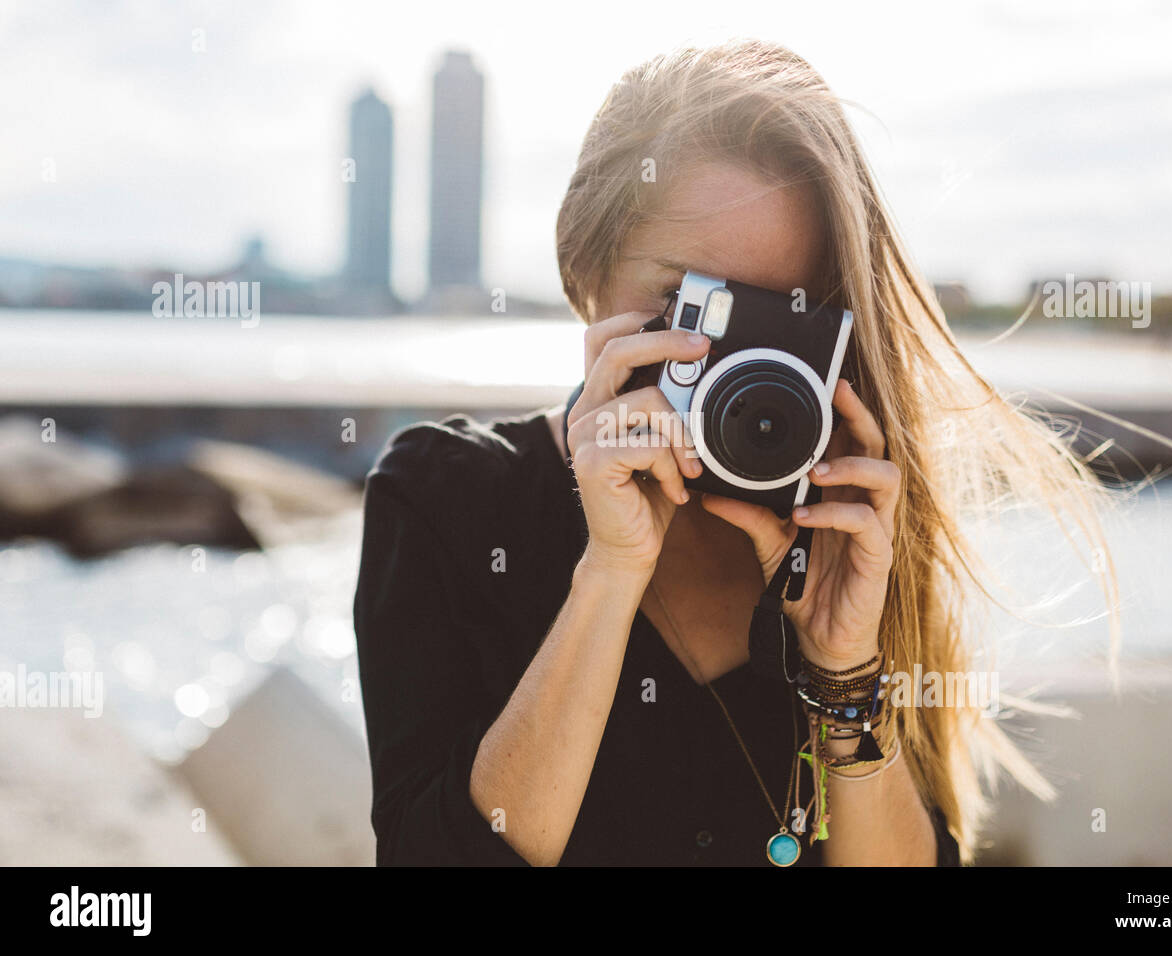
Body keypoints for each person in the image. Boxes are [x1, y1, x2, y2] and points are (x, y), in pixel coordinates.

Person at [353, 39, 1117, 866]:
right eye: (696, 304)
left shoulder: (849, 526)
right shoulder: (448, 502)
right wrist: (609, 576)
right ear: (585, 270)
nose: (736, 372)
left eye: (785, 321)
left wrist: (843, 672)